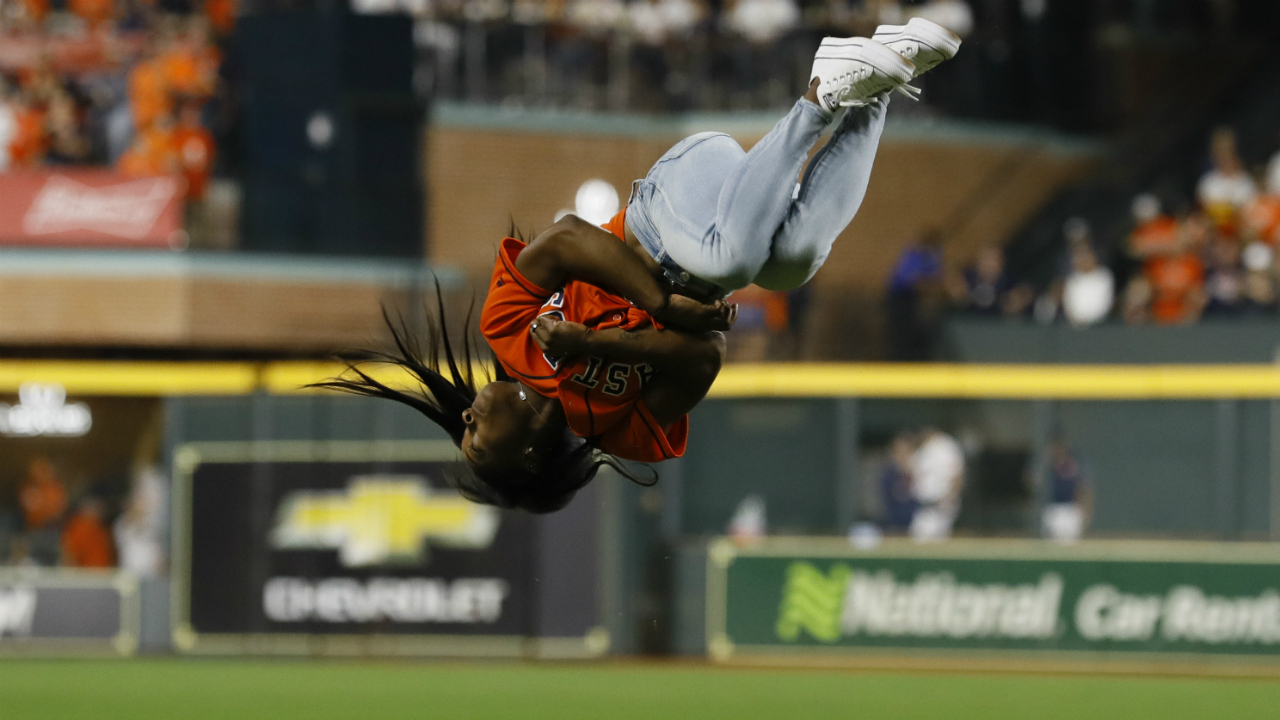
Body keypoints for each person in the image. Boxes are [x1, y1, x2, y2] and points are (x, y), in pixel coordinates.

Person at [318, 20, 962, 513]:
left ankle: (820, 94)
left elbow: (570, 238)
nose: (467, 420)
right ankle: (881, 80)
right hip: (731, 222)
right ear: (531, 457)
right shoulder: (626, 435)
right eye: (479, 444)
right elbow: (705, 358)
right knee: (790, 265)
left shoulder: (505, 331)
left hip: (670, 199)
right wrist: (594, 340)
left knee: (732, 256)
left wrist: (657, 307)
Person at [909, 426, 964, 541]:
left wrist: (950, 498)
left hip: (941, 504)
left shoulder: (945, 446)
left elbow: (957, 475)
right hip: (924, 506)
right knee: (919, 539)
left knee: (931, 541)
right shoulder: (924, 449)